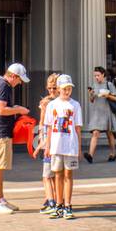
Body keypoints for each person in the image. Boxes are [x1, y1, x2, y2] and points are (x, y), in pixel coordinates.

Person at [0, 61, 30, 214]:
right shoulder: (4, 86)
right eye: (19, 79)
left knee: (0, 167)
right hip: (0, 132)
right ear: (13, 76)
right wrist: (18, 109)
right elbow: (1, 109)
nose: (19, 83)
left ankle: (0, 199)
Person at [43, 73, 83, 221]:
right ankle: (58, 204)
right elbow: (48, 127)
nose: (67, 91)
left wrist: (79, 148)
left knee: (68, 175)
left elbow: (78, 128)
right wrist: (47, 146)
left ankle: (68, 205)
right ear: (59, 89)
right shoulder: (52, 105)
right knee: (57, 175)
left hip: (70, 146)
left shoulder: (75, 105)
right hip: (56, 145)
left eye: (69, 88)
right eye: (64, 88)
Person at [34, 72, 59, 214]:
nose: (51, 91)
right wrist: (40, 137)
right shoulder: (45, 102)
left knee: (50, 173)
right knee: (49, 171)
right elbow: (42, 121)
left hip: (57, 140)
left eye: (54, 88)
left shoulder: (62, 102)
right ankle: (50, 198)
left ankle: (52, 200)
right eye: (49, 88)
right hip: (47, 138)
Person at [84, 66, 116, 164]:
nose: (96, 77)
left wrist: (107, 95)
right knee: (95, 133)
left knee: (109, 134)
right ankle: (90, 155)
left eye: (98, 75)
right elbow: (91, 100)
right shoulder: (94, 85)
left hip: (106, 112)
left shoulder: (109, 84)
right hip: (96, 112)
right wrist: (91, 94)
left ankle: (113, 153)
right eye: (95, 76)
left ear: (103, 75)